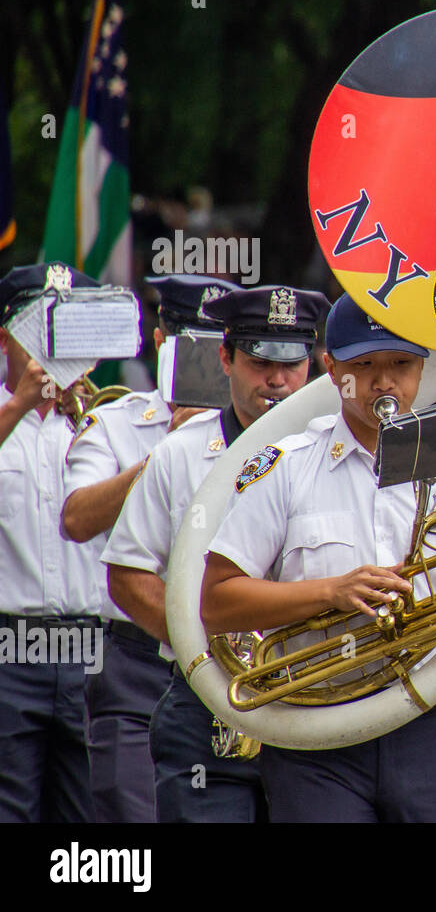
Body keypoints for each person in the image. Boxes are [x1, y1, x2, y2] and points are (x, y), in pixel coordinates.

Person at [200, 293, 436, 822]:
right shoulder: (286, 465)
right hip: (318, 731)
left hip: (431, 725)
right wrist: (330, 592)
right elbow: (217, 602)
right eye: (363, 366)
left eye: (401, 365)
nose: (383, 383)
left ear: (423, 368)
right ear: (331, 368)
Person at [101, 284, 328, 821]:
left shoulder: (336, 454)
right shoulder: (179, 452)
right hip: (205, 702)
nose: (277, 380)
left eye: (292, 364)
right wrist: (201, 654)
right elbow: (127, 571)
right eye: (259, 362)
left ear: (315, 365)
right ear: (224, 358)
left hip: (312, 696)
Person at [61, 273, 232, 823]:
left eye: (215, 343)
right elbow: (77, 518)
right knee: (133, 818)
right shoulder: (118, 422)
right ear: (162, 343)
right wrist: (167, 454)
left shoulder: (261, 431)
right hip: (136, 660)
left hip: (229, 655)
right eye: (190, 343)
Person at [0, 262, 109, 822]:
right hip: (8, 649)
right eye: (37, 332)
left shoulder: (106, 420)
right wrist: (18, 403)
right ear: (5, 338)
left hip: (90, 649)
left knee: (88, 819)